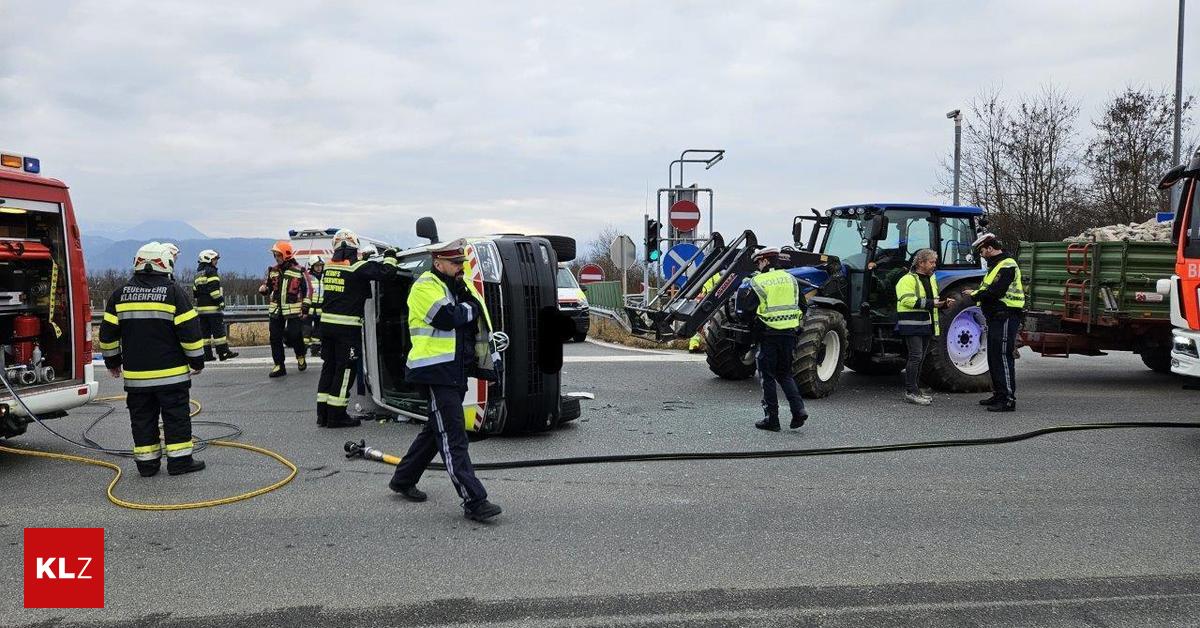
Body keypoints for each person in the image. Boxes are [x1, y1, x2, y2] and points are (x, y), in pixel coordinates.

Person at [389, 240, 503, 522]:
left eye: (462, 264)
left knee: (434, 431)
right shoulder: (425, 286)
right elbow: (446, 317)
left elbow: (478, 321)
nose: (460, 269)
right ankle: (474, 500)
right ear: (438, 263)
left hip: (454, 371)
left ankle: (403, 479)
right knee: (454, 436)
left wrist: (490, 363)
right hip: (435, 372)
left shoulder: (458, 286)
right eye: (455, 264)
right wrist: (469, 309)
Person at [98, 243, 207, 477]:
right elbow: (190, 332)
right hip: (171, 376)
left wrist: (112, 362)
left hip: (137, 379)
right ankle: (180, 463)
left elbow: (107, 335)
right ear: (165, 263)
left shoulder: (119, 294)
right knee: (175, 417)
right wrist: (197, 361)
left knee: (142, 420)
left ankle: (147, 466)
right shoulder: (173, 292)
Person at [315, 230, 401, 428]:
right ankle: (337, 416)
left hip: (327, 327)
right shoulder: (357, 267)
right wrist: (390, 256)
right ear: (355, 247)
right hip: (346, 329)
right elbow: (387, 273)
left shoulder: (329, 267)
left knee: (329, 367)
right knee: (345, 370)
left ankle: (323, 414)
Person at [735, 247, 807, 432]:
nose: (758, 266)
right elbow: (803, 306)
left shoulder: (758, 281)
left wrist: (752, 328)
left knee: (767, 377)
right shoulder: (791, 279)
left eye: (758, 262)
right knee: (785, 374)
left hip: (767, 335)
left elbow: (748, 311)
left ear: (765, 261)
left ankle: (772, 419)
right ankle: (799, 410)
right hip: (789, 334)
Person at [962, 233, 1025, 412]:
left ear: (990, 248)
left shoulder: (1007, 265)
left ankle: (1008, 399)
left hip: (1005, 314)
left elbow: (995, 292)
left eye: (982, 250)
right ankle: (999, 394)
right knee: (994, 357)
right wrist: (977, 293)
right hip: (996, 316)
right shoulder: (995, 266)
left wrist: (974, 295)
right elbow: (988, 288)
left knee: (1003, 357)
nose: (981, 254)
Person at [894, 248, 952, 405]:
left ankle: (916, 390)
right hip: (912, 324)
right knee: (915, 357)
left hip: (926, 324)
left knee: (919, 358)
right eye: (931, 262)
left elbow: (932, 301)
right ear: (921, 262)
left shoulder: (930, 279)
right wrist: (932, 303)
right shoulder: (907, 280)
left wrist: (942, 304)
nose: (934, 265)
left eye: (934, 262)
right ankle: (910, 391)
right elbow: (906, 300)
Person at [259, 241, 308, 378]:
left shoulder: (299, 271)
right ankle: (279, 365)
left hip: (293, 310)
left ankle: (300, 355)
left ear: (285, 255)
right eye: (274, 255)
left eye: (277, 255)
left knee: (294, 335)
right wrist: (264, 290)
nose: (275, 258)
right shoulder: (273, 271)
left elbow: (308, 290)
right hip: (276, 310)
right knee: (274, 338)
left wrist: (305, 307)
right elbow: (268, 287)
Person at [193, 249, 239, 362]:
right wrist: (221, 301)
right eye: (214, 259)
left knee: (205, 334)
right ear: (208, 259)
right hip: (213, 309)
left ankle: (207, 355)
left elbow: (195, 292)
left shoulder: (198, 274)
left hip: (201, 310)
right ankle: (223, 353)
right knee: (219, 332)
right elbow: (214, 291)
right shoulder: (211, 272)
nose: (216, 262)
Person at [303, 255, 325, 358]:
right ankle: (302, 352)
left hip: (320, 310)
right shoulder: (308, 277)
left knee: (319, 332)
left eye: (320, 266)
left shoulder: (325, 278)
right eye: (316, 266)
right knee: (306, 332)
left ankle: (315, 350)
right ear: (311, 266)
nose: (319, 268)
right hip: (309, 309)